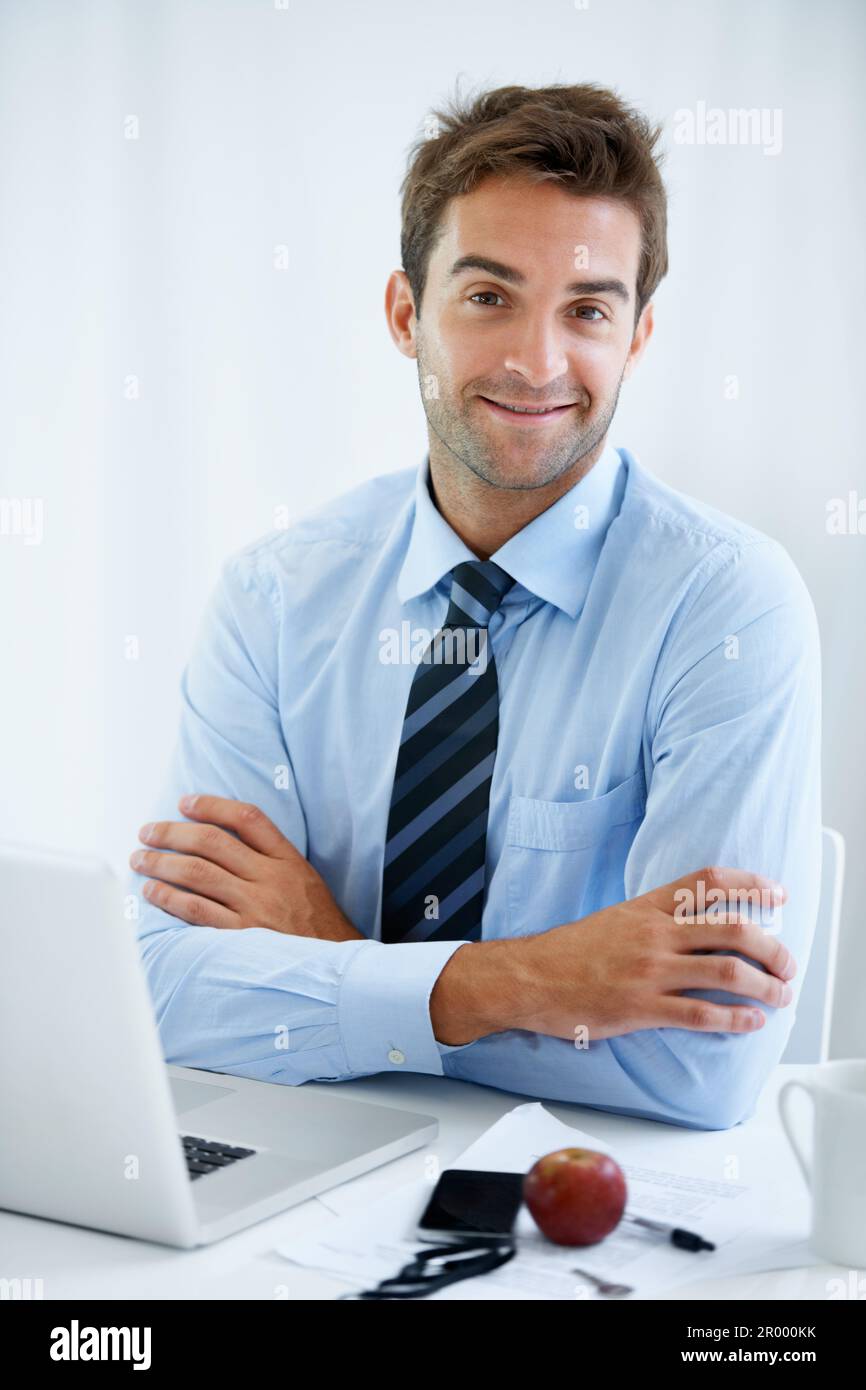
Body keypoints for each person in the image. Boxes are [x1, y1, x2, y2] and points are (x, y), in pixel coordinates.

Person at [128, 83, 820, 1130]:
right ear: (407, 314)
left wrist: (328, 960)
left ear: (635, 337)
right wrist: (532, 982)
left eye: (586, 308)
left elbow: (698, 1063)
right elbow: (167, 993)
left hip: (595, 1209)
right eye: (488, 296)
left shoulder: (727, 603)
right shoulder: (273, 598)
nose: (537, 362)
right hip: (294, 1170)